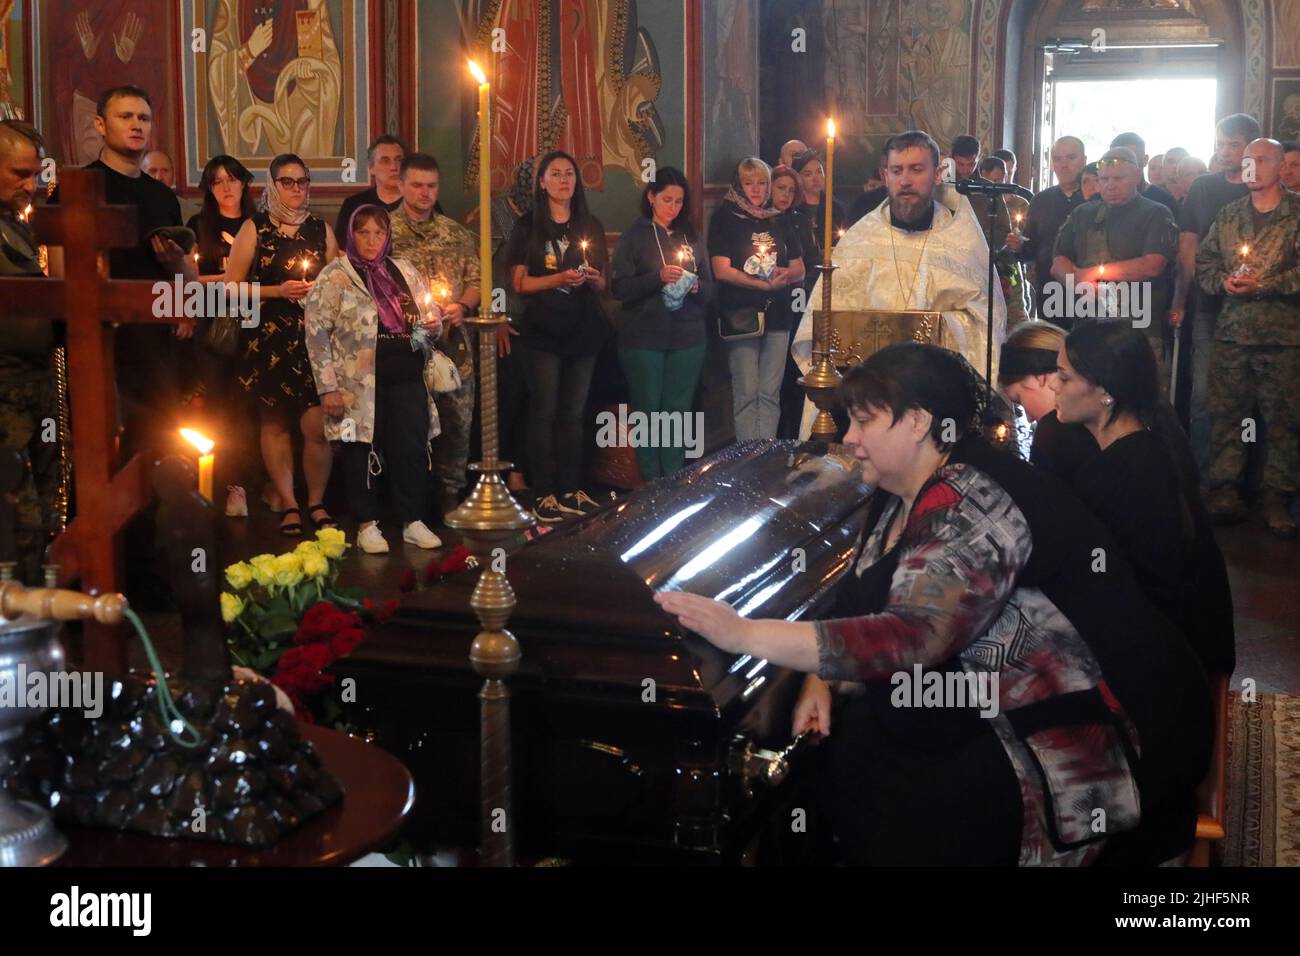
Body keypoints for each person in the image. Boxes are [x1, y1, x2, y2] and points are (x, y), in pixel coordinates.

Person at [656, 343, 1212, 866]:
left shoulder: (973, 499)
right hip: (1003, 702)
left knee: (884, 791)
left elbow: (911, 637)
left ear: (919, 421)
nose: (848, 438)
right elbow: (864, 597)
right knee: (851, 755)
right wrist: (822, 680)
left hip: (1084, 739)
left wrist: (745, 634)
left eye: (864, 420)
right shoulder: (905, 488)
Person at [793, 129, 1006, 438]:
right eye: (897, 170)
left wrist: (929, 329)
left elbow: (987, 326)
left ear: (936, 174)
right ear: (886, 175)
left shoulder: (964, 243)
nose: (905, 180)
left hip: (936, 400)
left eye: (916, 169)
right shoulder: (860, 240)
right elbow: (823, 330)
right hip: (869, 401)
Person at [1051, 320, 1235, 675]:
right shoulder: (1147, 443)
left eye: (1064, 376)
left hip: (1161, 661)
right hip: (1174, 645)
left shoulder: (1127, 470)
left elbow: (1126, 590)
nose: (1053, 385)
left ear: (1105, 390)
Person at [49, 86, 196, 458]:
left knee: (159, 442)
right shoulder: (78, 188)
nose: (136, 125)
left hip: (155, 340)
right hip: (99, 339)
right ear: (100, 124)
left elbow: (186, 276)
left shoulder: (162, 197)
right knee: (100, 446)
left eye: (143, 118)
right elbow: (60, 273)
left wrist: (178, 278)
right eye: (125, 116)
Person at [305, 205, 444, 554]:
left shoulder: (402, 269)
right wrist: (328, 386)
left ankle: (412, 519)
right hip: (356, 385)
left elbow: (427, 313)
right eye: (364, 232)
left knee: (411, 447)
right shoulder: (336, 275)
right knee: (360, 450)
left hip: (406, 374)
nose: (371, 240)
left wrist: (434, 325)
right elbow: (316, 332)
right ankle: (367, 523)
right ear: (352, 235)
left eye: (378, 233)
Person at [224, 153, 339, 536]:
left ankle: (317, 501)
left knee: (317, 425)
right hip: (267, 335)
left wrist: (320, 291)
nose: (295, 189)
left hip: (313, 339)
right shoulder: (254, 228)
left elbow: (339, 282)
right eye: (287, 182)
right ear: (272, 186)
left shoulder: (320, 229)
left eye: (302, 182)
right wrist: (277, 290)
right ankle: (288, 502)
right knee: (273, 423)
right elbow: (230, 288)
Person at [1195, 138, 1300, 538]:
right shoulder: (1229, 215)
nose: (1252, 167)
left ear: (1280, 166)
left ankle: (1277, 495)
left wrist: (1267, 285)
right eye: (1246, 161)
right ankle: (1225, 489)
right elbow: (1204, 262)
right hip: (1233, 335)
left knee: (1283, 420)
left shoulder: (1296, 213)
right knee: (1229, 415)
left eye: (1261, 160)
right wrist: (1222, 282)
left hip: (1283, 337)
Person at [504, 150, 609, 521]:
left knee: (573, 414)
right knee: (544, 411)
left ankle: (572, 487)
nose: (564, 180)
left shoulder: (589, 224)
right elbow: (519, 283)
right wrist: (558, 279)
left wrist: (593, 279)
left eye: (570, 174)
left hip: (582, 330)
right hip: (543, 331)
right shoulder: (528, 226)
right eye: (556, 174)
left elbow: (603, 281)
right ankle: (544, 492)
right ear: (543, 182)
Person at [388, 152, 481, 523]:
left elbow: (476, 282)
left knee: (457, 424)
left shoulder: (455, 233)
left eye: (431, 186)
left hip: (453, 348)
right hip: (405, 349)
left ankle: (449, 496)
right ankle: (408, 504)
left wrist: (462, 306)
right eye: (417, 185)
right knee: (410, 426)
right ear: (400, 185)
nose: (425, 193)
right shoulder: (384, 232)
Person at [611, 166, 712, 480]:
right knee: (648, 410)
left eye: (679, 201)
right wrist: (657, 278)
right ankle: (651, 480)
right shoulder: (635, 236)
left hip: (687, 335)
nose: (673, 207)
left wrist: (696, 287)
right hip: (644, 337)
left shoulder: (691, 236)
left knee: (677, 411)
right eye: (667, 199)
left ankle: (673, 478)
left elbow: (711, 288)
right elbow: (620, 288)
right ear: (651, 197)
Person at [1171, 113, 1259, 471]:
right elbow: (1188, 244)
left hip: (1258, 307)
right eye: (1221, 143)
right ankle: (1202, 475)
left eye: (1233, 144)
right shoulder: (1205, 187)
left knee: (1254, 398)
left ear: (1250, 147)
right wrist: (1181, 297)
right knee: (1204, 392)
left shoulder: (1261, 188)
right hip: (1208, 303)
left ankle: (1248, 476)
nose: (1225, 151)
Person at [1050, 147, 1177, 388]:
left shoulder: (1156, 213)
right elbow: (1058, 261)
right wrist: (1078, 282)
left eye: (1118, 178)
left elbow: (1153, 265)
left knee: (1141, 396)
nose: (1110, 185)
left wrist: (1098, 274)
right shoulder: (1082, 213)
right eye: (1104, 179)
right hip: (1089, 325)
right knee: (1088, 393)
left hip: (1139, 328)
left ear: (1137, 177)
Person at [709, 157, 805, 442]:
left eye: (762, 183)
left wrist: (782, 274)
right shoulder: (724, 219)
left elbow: (799, 266)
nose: (757, 190)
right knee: (747, 391)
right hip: (741, 312)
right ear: (739, 186)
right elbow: (720, 269)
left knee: (769, 391)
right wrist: (759, 284)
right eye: (749, 183)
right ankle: (746, 458)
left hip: (778, 314)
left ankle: (765, 457)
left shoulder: (780, 218)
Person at [0, 119, 58, 584]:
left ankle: (41, 601)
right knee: (14, 509)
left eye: (36, 173)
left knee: (42, 503)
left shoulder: (16, 227)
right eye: (20, 173)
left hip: (36, 386)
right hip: (4, 391)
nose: (31, 185)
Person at [186, 154, 257, 517]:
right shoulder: (198, 226)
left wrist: (231, 283)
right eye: (217, 181)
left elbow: (266, 280)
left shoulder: (258, 224)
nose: (226, 187)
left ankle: (253, 483)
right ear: (209, 189)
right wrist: (230, 282)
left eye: (232, 179)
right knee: (217, 406)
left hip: (255, 323)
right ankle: (222, 483)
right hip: (212, 325)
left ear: (244, 184)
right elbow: (189, 280)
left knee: (251, 408)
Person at [997, 320, 1097, 481]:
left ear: (1039, 377)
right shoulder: (1100, 419)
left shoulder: (1052, 434)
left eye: (1019, 401)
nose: (1029, 419)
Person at [1006, 135, 1087, 319]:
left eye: (1071, 157)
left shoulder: (1095, 198)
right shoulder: (1040, 200)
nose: (1063, 164)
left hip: (1089, 291)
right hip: (1050, 292)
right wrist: (1018, 245)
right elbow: (1030, 249)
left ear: (1084, 160)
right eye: (1057, 159)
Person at [770, 163, 820, 439]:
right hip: (771, 305)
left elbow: (811, 259)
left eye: (791, 190)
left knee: (796, 371)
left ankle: (795, 435)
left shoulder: (799, 221)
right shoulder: (762, 220)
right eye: (780, 188)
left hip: (799, 302)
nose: (785, 195)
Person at [335, 134, 406, 239]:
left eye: (399, 160)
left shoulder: (420, 202)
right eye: (385, 161)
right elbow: (342, 249)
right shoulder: (353, 205)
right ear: (371, 168)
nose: (394, 167)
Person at [1110, 132, 1179, 215]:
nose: (1122, 164)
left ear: (1145, 160)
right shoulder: (1100, 200)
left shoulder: (1164, 200)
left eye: (1130, 158)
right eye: (1115, 159)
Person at [791, 149, 845, 249]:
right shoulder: (792, 209)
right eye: (808, 174)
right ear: (798, 178)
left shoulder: (835, 208)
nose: (816, 179)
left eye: (819, 172)